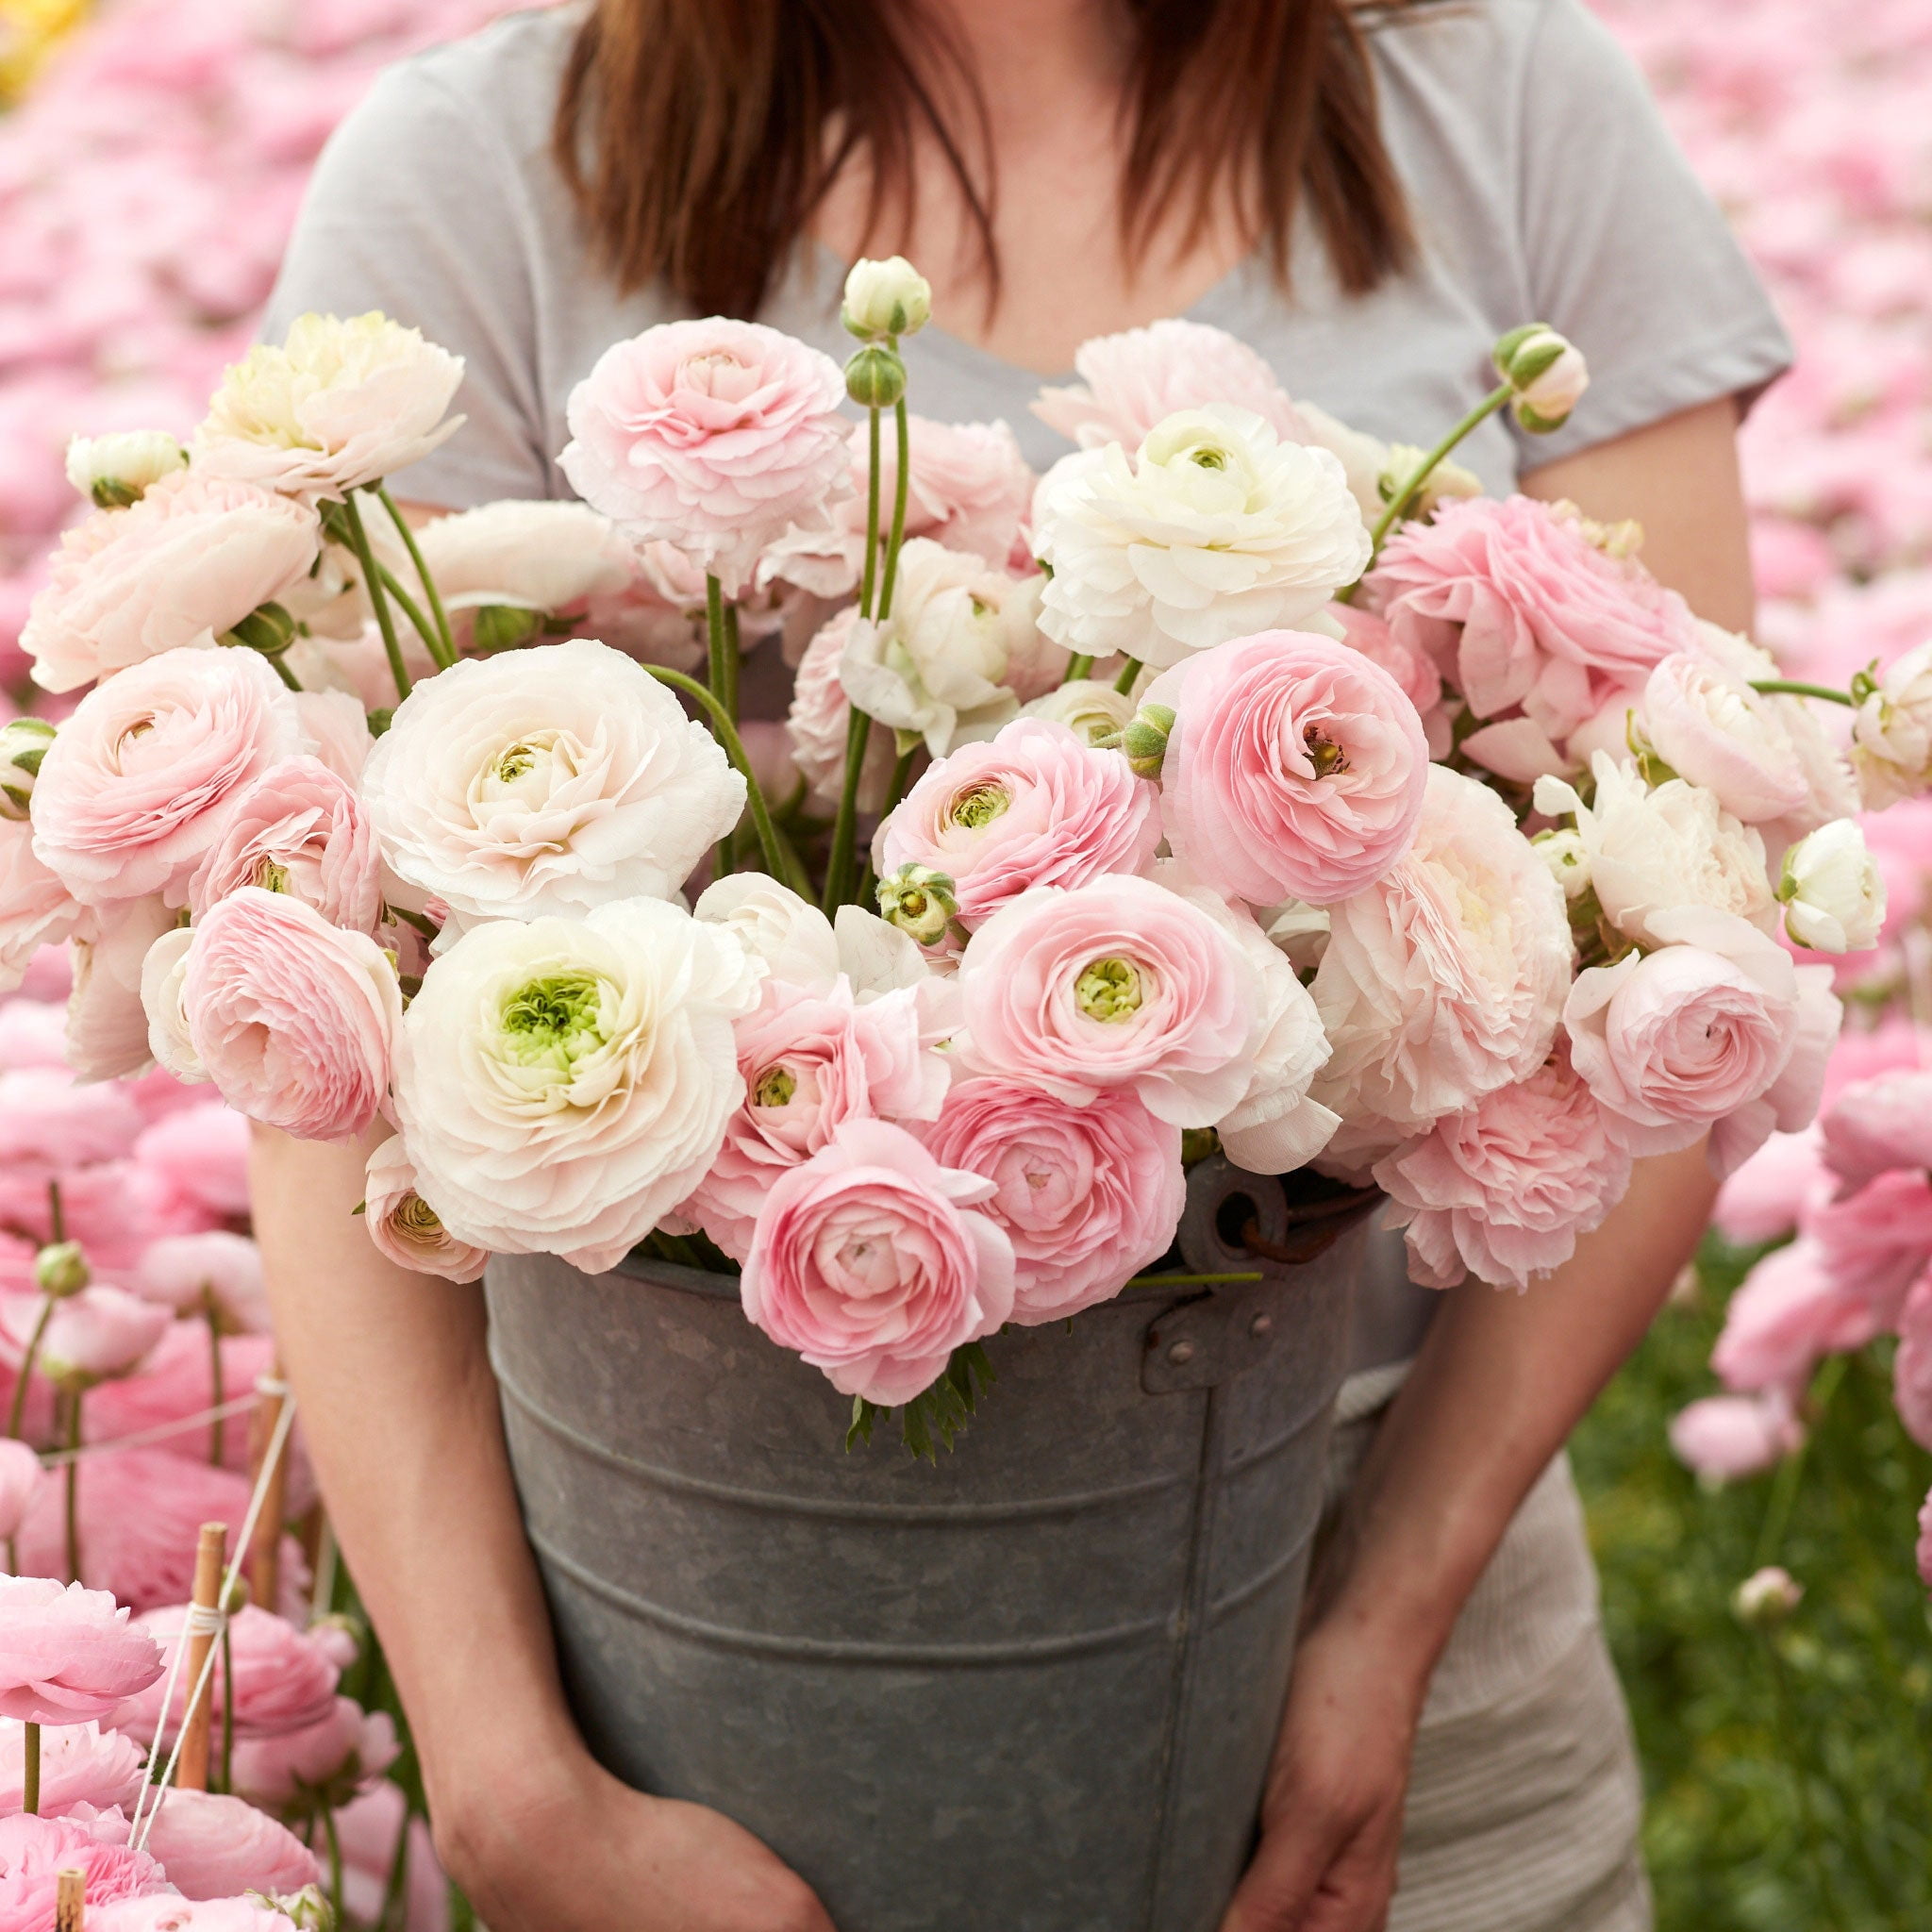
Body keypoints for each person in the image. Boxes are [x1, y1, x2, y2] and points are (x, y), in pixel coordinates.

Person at [251, 1, 1790, 1927]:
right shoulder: (481, 168)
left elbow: (1669, 970)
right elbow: (347, 1055)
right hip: (692, 1668)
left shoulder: (1501, 105)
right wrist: (504, 1780)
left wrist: (1382, 1624)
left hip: (1394, 1615)